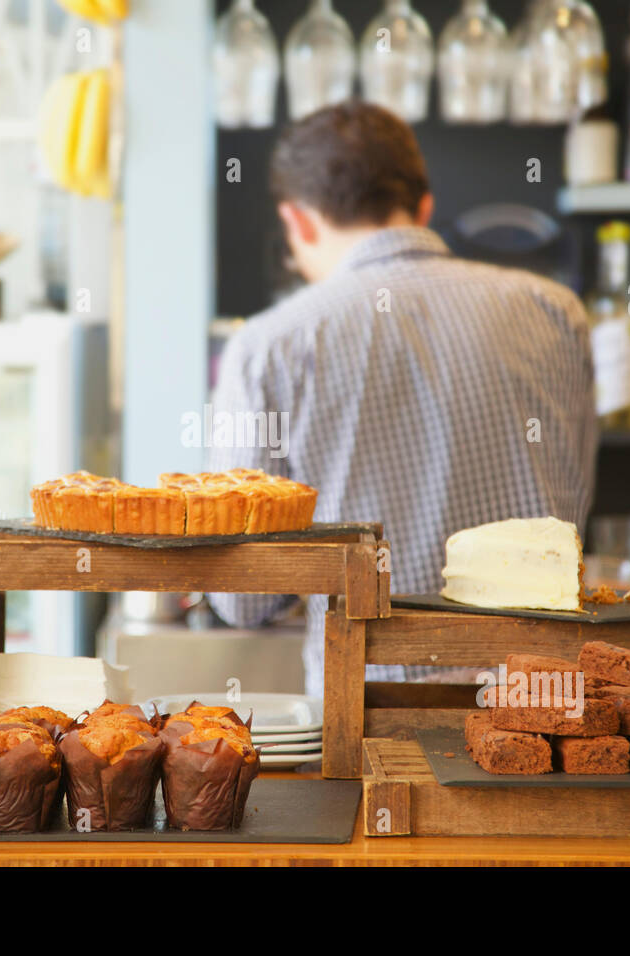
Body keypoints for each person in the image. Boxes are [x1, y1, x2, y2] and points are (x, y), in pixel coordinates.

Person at [205, 102, 597, 698]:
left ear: (298, 223)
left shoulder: (268, 347)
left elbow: (247, 599)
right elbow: (570, 518)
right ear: (423, 206)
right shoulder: (555, 311)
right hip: (544, 710)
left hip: (372, 724)